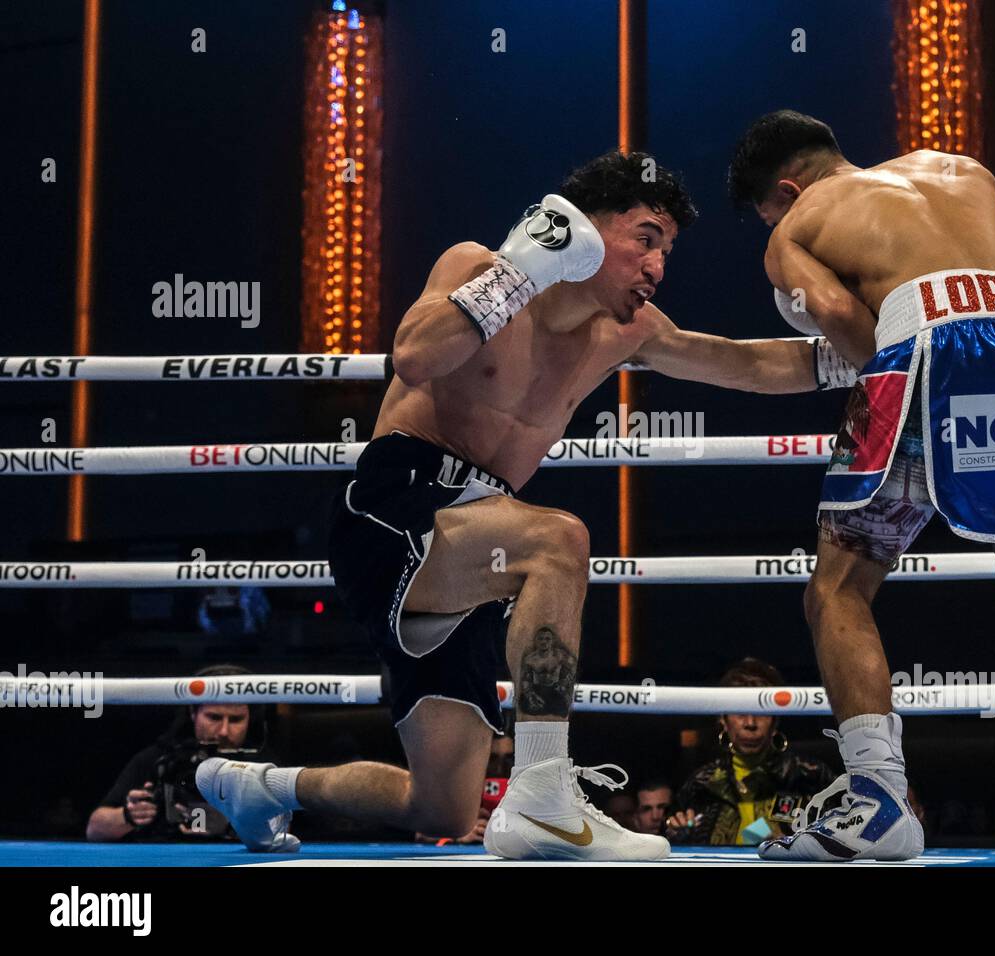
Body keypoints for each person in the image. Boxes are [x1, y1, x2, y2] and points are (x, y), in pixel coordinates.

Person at [198, 150, 860, 861]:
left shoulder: (629, 331)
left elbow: (745, 363)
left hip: (480, 543)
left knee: (443, 805)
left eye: (666, 250)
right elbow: (414, 357)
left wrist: (872, 349)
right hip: (396, 508)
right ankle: (542, 791)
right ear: (586, 226)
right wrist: (519, 274)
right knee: (559, 541)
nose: (657, 267)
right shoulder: (479, 267)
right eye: (645, 239)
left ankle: (262, 786)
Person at [726, 110, 995, 862]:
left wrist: (875, 373)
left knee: (837, 589)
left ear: (785, 190)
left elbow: (835, 310)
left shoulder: (796, 228)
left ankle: (879, 805)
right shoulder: (961, 167)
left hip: (930, 356)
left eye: (764, 211)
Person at [87, 665, 270, 842]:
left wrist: (230, 825)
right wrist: (130, 815)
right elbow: (94, 829)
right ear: (193, 712)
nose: (223, 731)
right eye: (214, 717)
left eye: (235, 720)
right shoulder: (160, 758)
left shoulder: (262, 766)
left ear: (250, 719)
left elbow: (282, 831)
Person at [665, 658, 835, 846]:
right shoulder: (701, 784)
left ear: (776, 719)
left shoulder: (809, 777)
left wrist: (797, 845)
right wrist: (678, 834)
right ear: (723, 719)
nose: (750, 723)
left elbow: (842, 836)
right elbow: (671, 842)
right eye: (740, 712)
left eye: (760, 712)